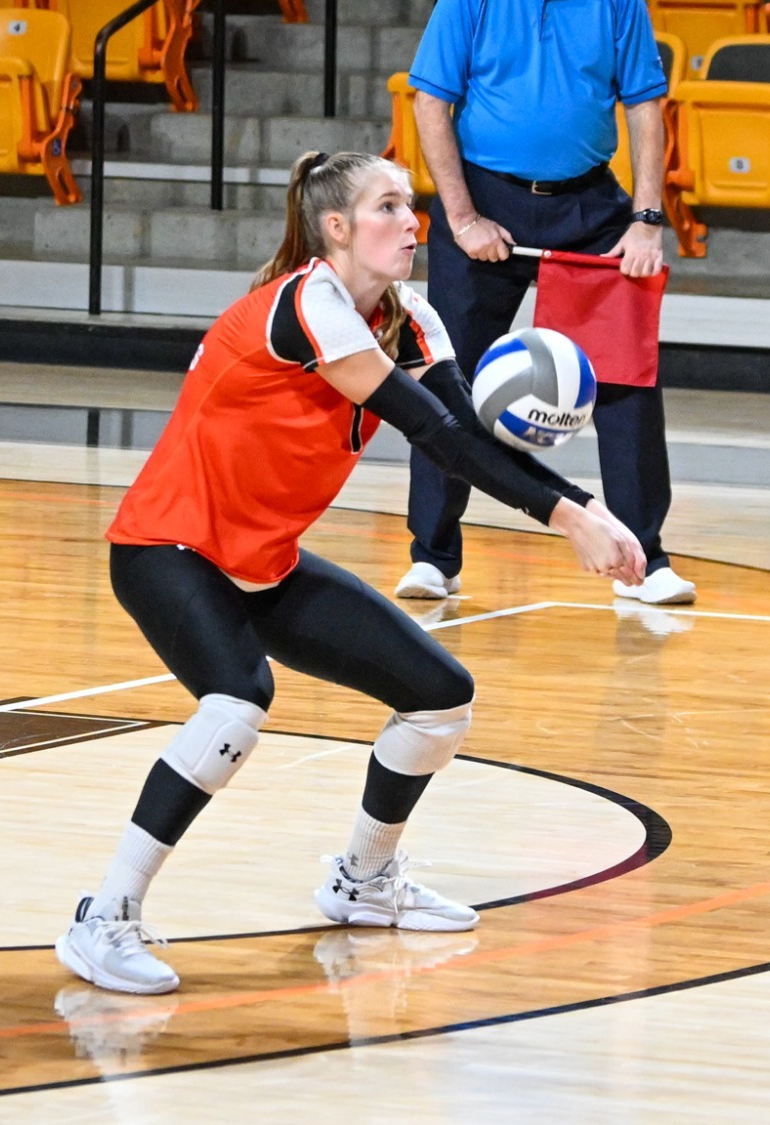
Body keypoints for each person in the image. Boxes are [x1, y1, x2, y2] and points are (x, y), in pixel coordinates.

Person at [56, 150, 646, 995]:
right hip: (167, 546)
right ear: (336, 228)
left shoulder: (413, 320)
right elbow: (431, 433)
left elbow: (469, 438)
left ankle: (363, 879)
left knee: (440, 698)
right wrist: (569, 518)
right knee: (234, 703)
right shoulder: (309, 305)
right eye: (390, 206)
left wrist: (585, 506)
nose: (414, 221)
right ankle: (104, 916)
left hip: (264, 563)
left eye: (413, 206)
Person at [394, 0, 696, 607]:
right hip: (482, 201)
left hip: (588, 207)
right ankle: (433, 557)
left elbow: (643, 104)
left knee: (625, 378)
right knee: (445, 381)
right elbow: (431, 103)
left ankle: (644, 559)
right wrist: (461, 218)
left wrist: (646, 220)